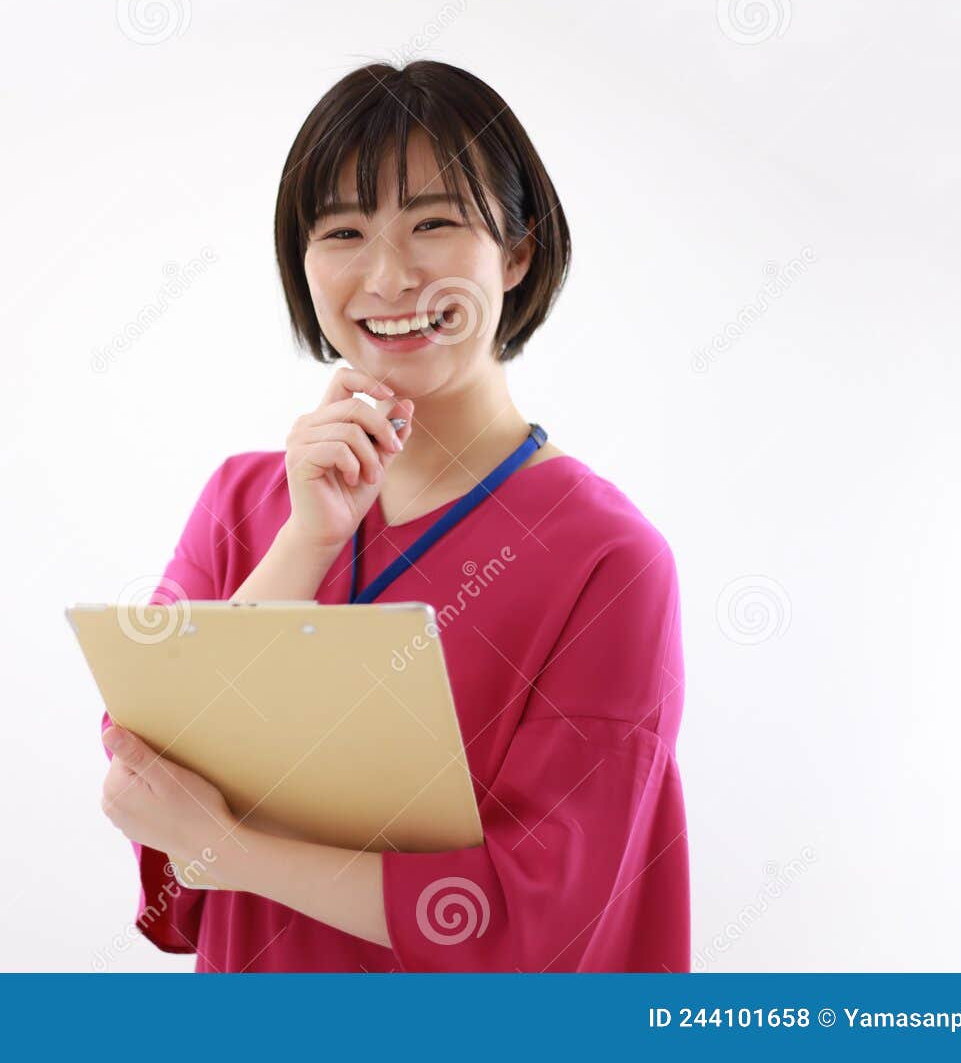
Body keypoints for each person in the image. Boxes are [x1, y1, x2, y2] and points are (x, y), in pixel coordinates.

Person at [99, 59, 688, 972]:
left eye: (435, 223)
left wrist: (235, 849)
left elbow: (539, 914)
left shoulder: (607, 559)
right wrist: (308, 541)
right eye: (342, 229)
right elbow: (148, 773)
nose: (387, 274)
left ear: (519, 250)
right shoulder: (246, 503)